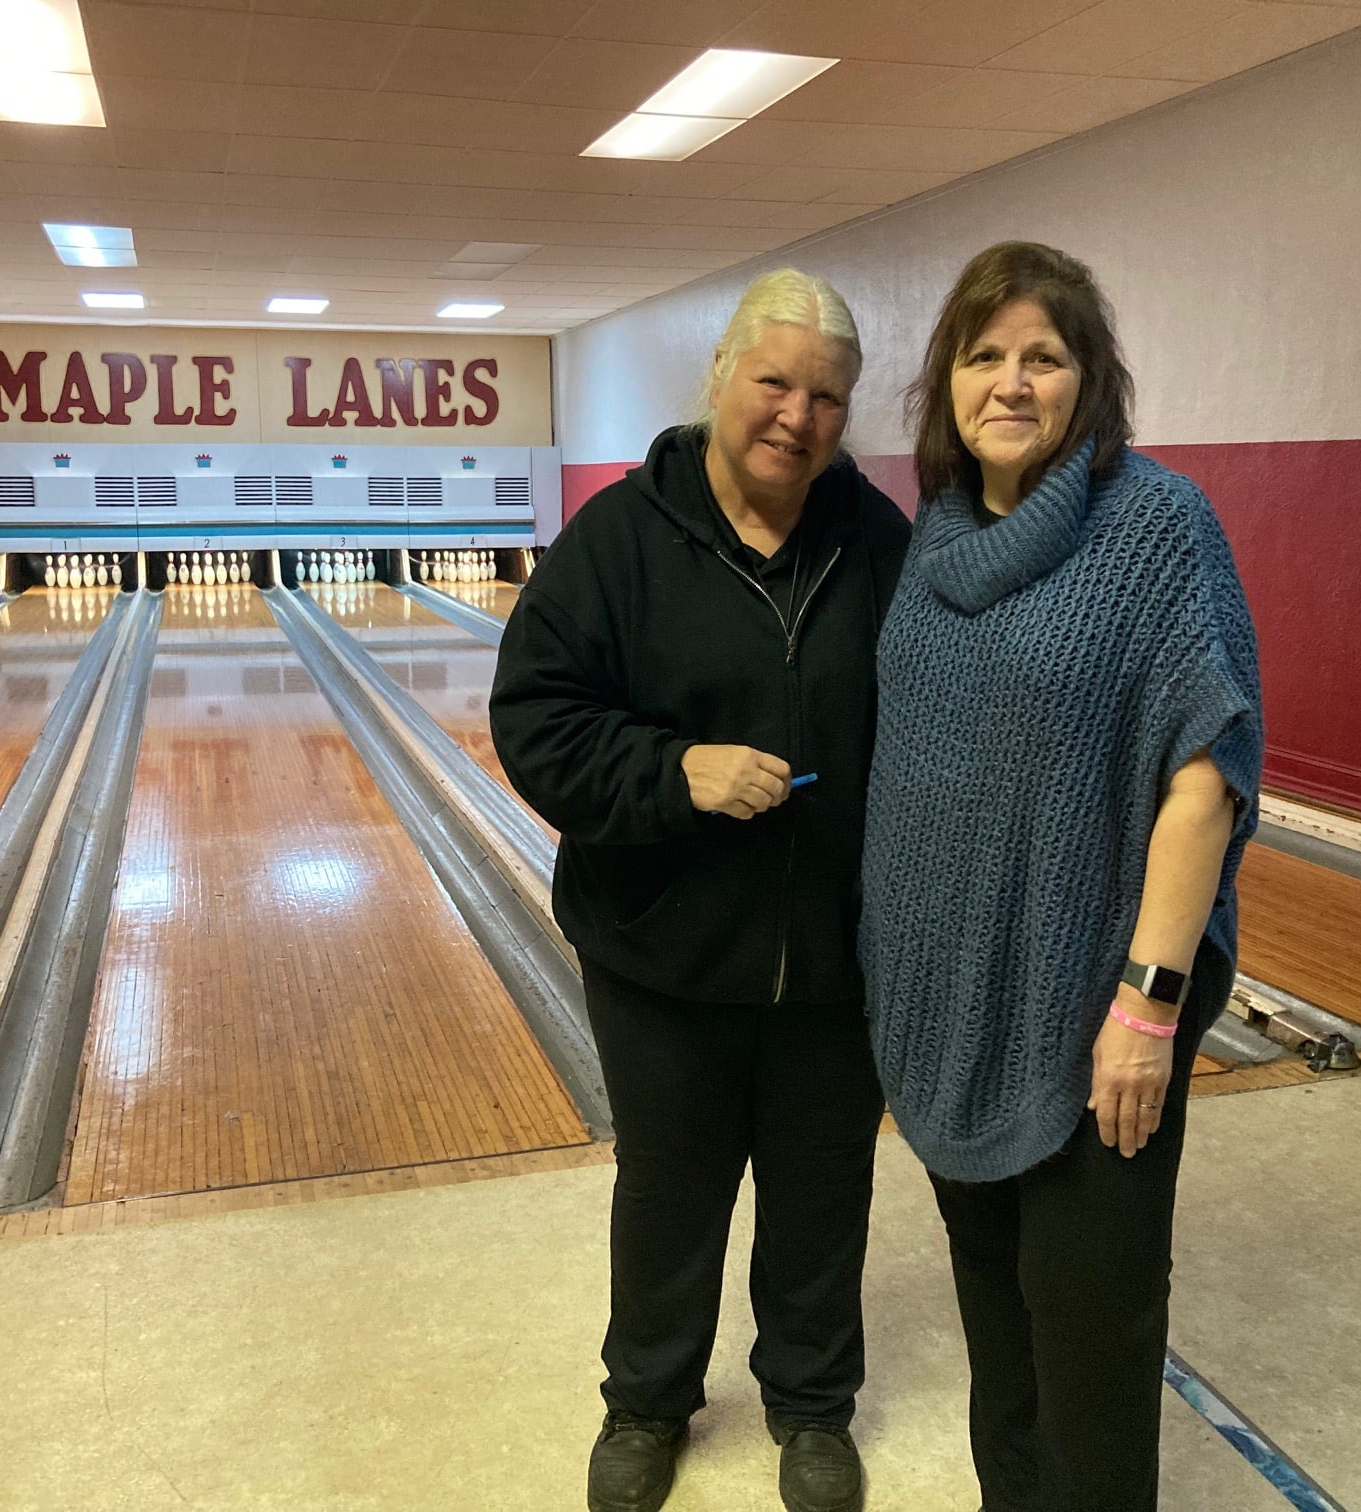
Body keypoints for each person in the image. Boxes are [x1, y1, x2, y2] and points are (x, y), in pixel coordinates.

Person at [490, 268, 913, 1512]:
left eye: (827, 397)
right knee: (671, 1190)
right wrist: (674, 772)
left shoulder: (880, 544)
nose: (797, 416)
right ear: (721, 377)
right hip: (660, 947)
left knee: (821, 1191)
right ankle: (647, 1404)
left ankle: (813, 1406)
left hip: (834, 951)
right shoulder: (617, 541)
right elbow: (537, 721)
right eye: (774, 382)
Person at [861, 241, 1263, 1512]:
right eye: (985, 355)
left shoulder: (1156, 525)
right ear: (946, 382)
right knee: (998, 1324)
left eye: (1045, 356)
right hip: (950, 1002)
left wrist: (1149, 1006)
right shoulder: (932, 539)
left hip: (1098, 1006)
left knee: (1088, 1331)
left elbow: (1206, 775)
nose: (1013, 382)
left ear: (1092, 380)